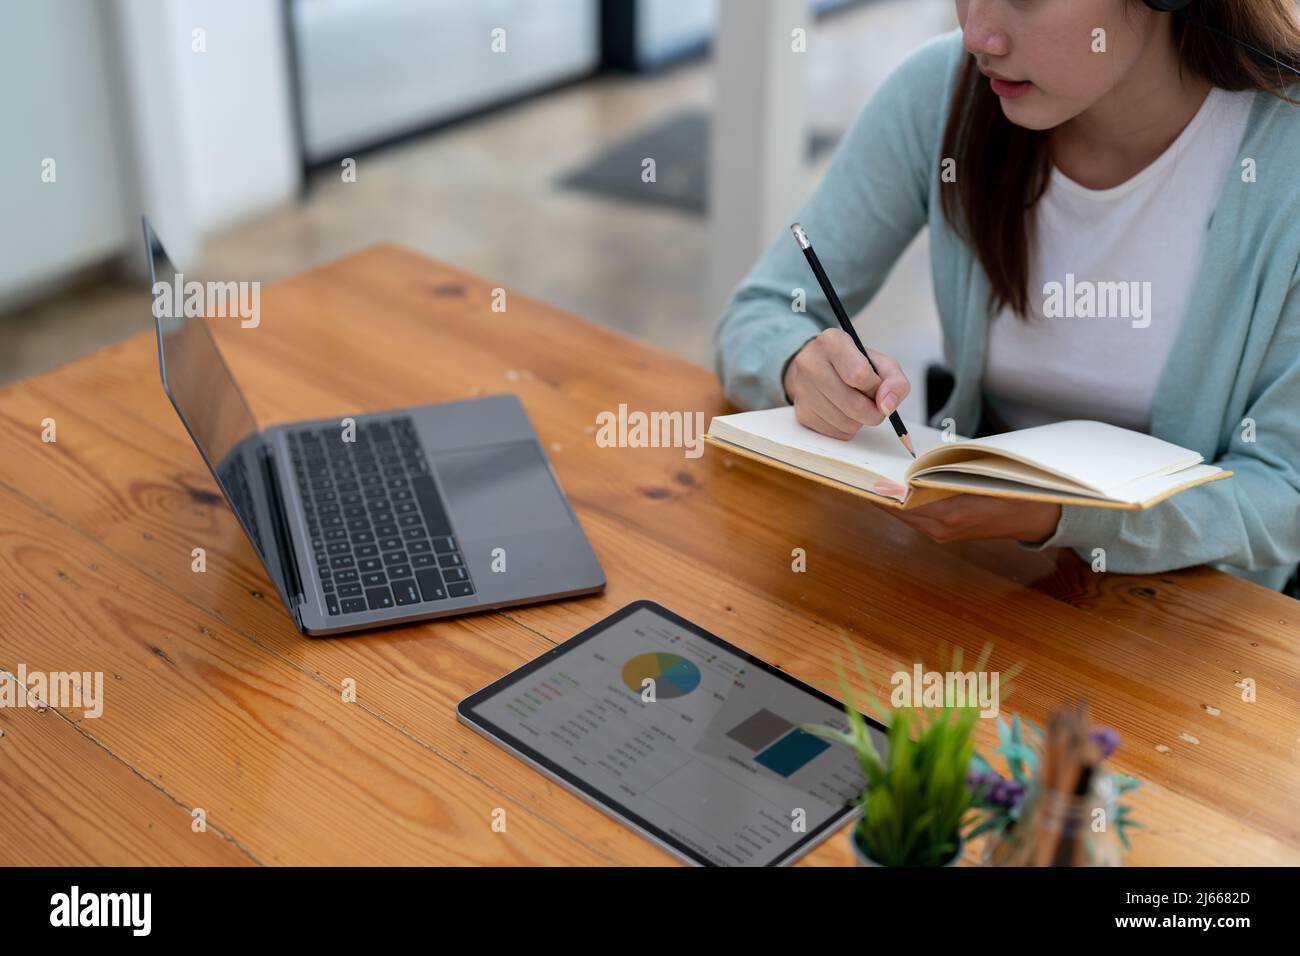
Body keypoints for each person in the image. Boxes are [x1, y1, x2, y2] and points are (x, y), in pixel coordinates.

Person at [714, 0, 1300, 594]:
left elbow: (1285, 494)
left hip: (1208, 622)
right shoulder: (941, 95)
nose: (976, 35)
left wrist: (1069, 515)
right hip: (989, 583)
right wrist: (799, 367)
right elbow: (762, 311)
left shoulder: (1284, 162)